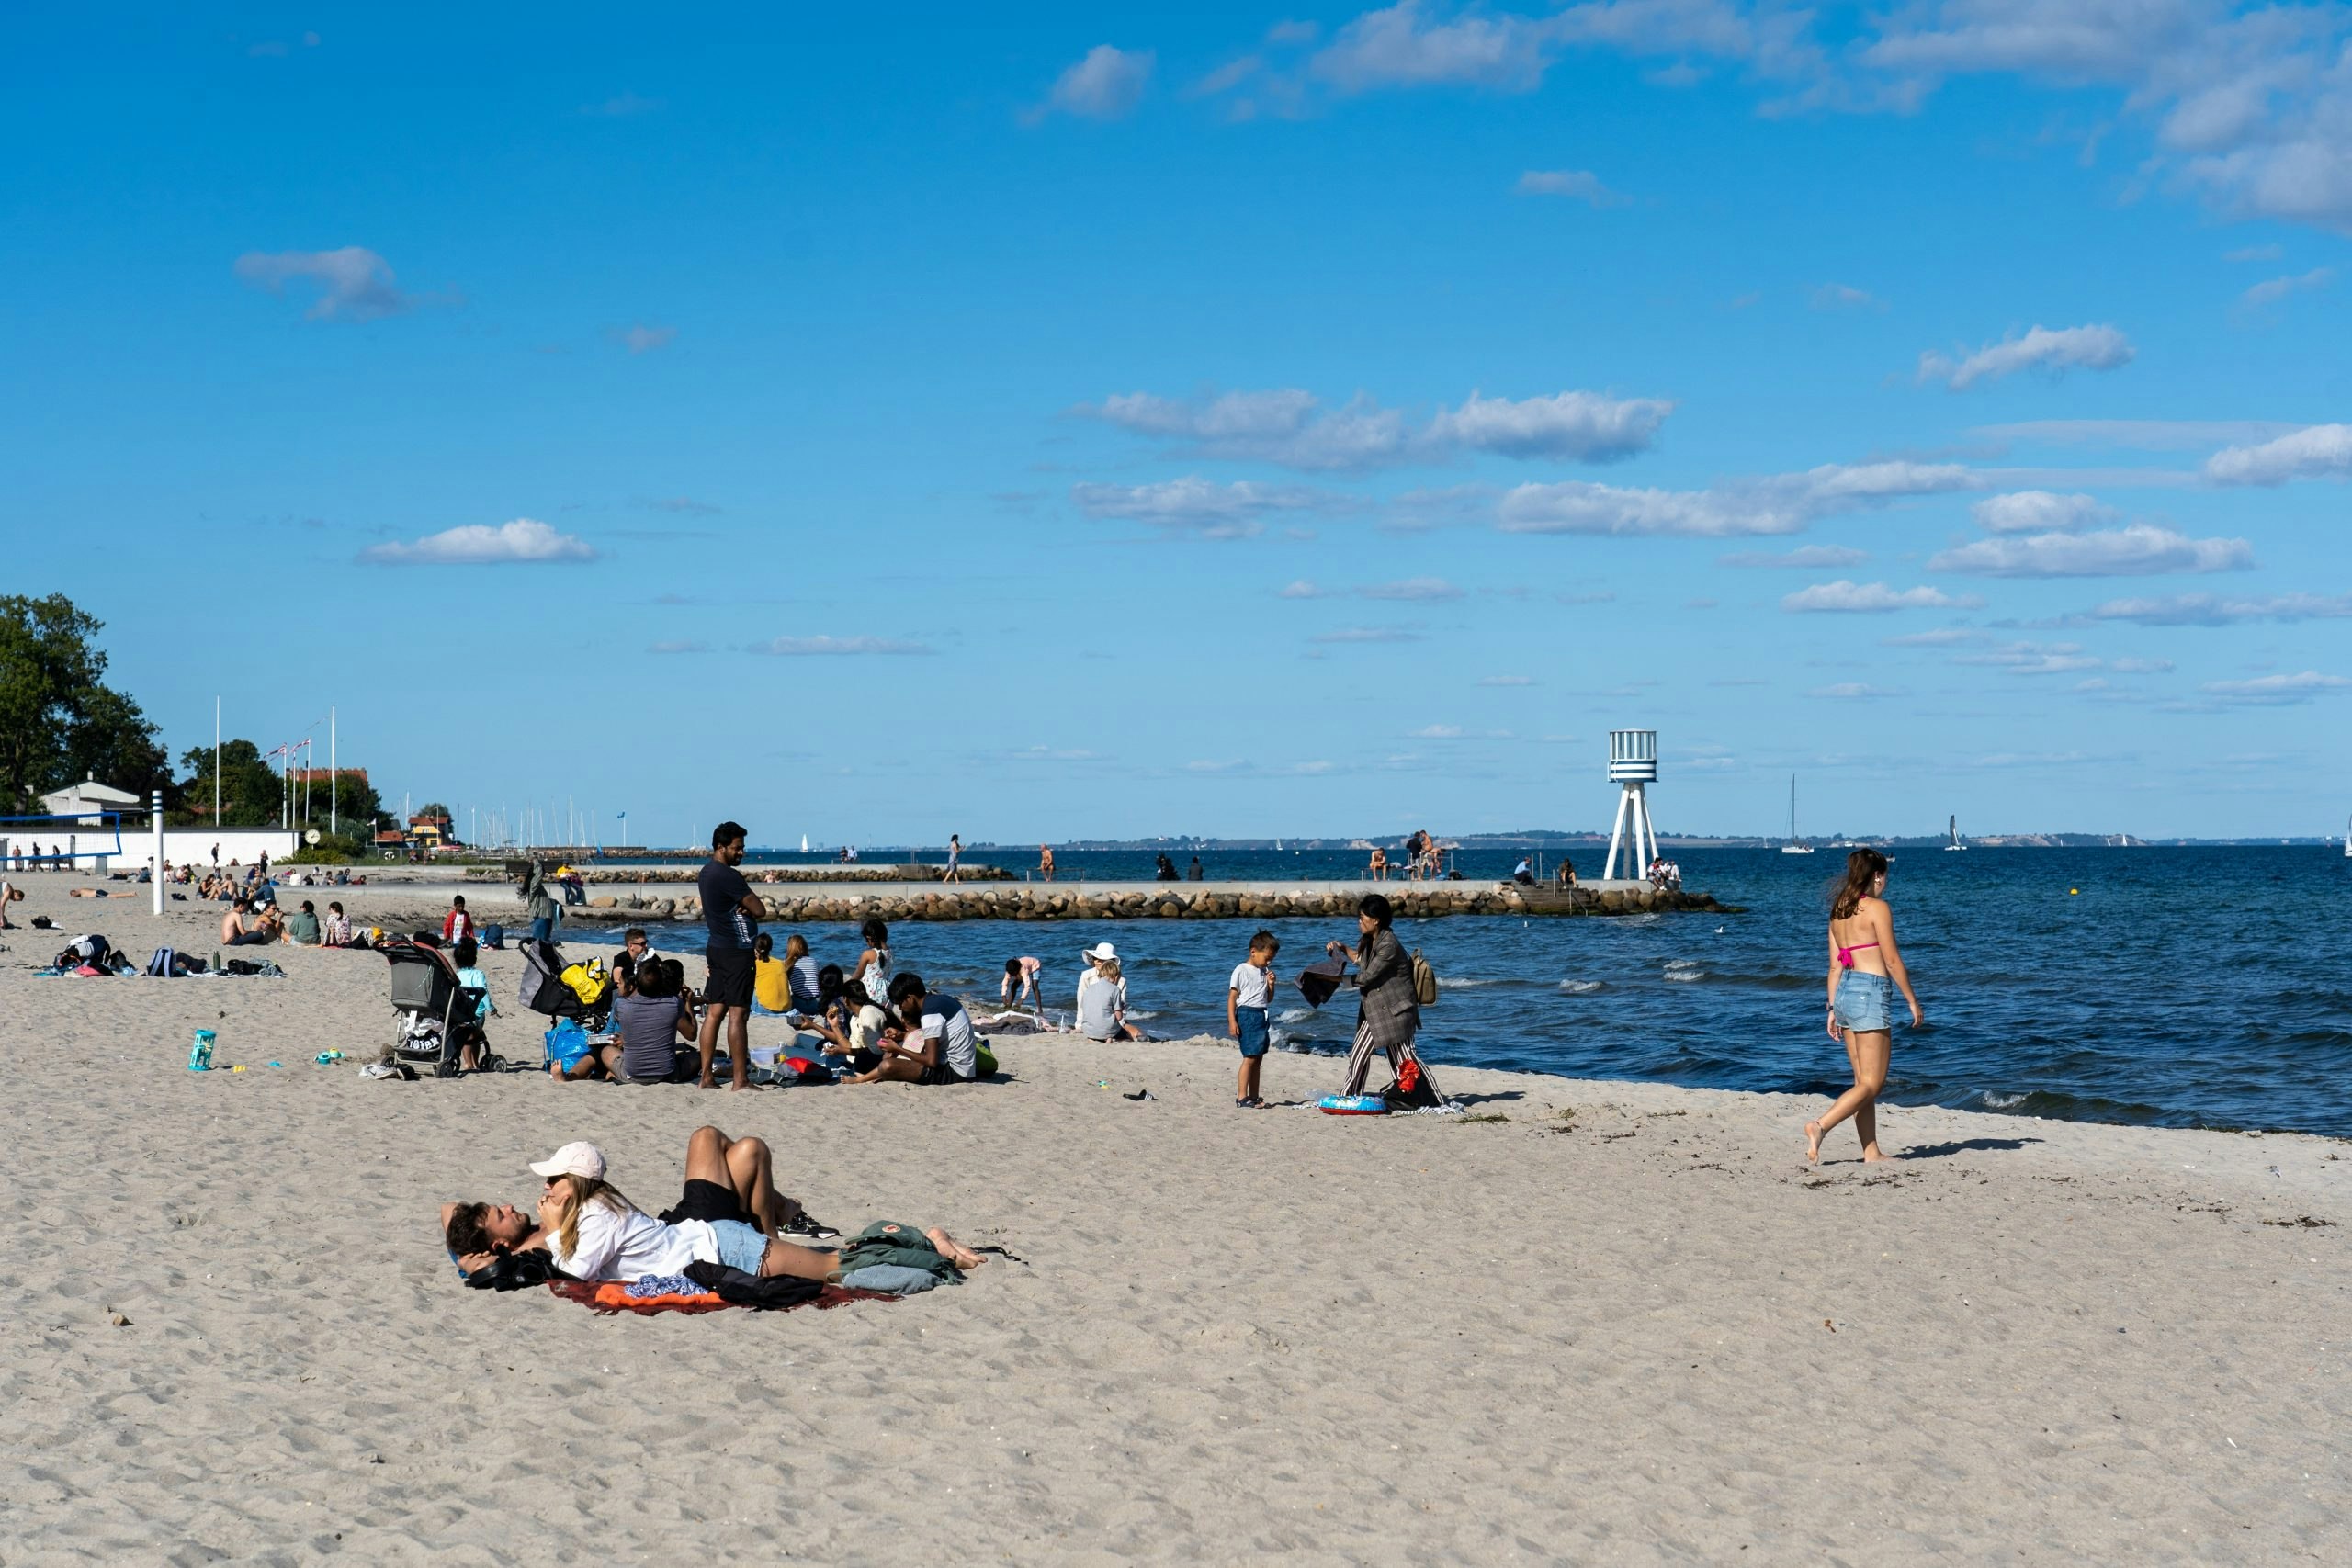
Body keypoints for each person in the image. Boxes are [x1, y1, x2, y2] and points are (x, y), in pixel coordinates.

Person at [440, 1129, 860, 1283]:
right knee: (737, 1147)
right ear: (497, 1245)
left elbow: (450, 1210)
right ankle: (772, 1224)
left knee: (732, 1145)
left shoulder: (569, 1213)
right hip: (696, 1235)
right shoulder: (533, 1248)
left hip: (669, 1230)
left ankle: (774, 1219)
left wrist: (464, 1248)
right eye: (500, 1214)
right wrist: (474, 1259)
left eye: (554, 1179)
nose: (514, 1204)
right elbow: (572, 1268)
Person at [1807, 849, 1925, 1164]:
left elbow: (1834, 968)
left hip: (1845, 993)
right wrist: (1912, 1000)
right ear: (1876, 875)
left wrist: (1831, 1008)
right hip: (1870, 993)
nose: (1885, 883)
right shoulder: (1877, 909)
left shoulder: (1838, 911)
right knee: (1873, 1083)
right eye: (1884, 877)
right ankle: (1820, 1126)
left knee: (1863, 1083)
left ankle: (1870, 1151)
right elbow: (1891, 960)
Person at [1326, 892, 1426, 1098]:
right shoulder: (1373, 940)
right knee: (1383, 1057)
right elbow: (1362, 961)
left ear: (1376, 920)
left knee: (1404, 1059)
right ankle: (1351, 1095)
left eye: (1362, 918)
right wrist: (1342, 948)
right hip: (1381, 1011)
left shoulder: (1388, 944)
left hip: (1393, 1012)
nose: (1359, 923)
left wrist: (1334, 980)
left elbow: (1366, 976)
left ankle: (1426, 1096)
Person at [695, 822, 763, 1091]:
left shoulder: (706, 873)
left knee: (715, 1011)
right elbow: (759, 909)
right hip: (736, 951)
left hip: (716, 947)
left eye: (742, 847)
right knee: (738, 1014)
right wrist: (746, 906)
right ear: (721, 848)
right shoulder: (727, 876)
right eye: (737, 848)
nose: (741, 852)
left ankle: (706, 1076)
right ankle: (740, 1080)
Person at [560, 955, 700, 1083]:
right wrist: (687, 1001)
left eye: (620, 983)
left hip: (633, 1073)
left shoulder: (622, 1005)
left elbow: (640, 1026)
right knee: (698, 1056)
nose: (618, 985)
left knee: (605, 1052)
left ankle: (572, 1076)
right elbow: (690, 1034)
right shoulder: (674, 1003)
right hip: (667, 1074)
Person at [850, 974, 979, 1085]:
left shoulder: (930, 1013)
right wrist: (903, 1035)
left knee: (887, 1065)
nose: (900, 1009)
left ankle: (863, 1078)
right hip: (965, 1067)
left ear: (910, 998)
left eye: (901, 1003)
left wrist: (897, 1049)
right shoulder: (940, 1000)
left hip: (956, 1073)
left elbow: (931, 1061)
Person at [1227, 929, 1279, 1108]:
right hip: (1247, 1014)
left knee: (1258, 1058)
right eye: (1267, 957)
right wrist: (1232, 1021)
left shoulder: (1263, 971)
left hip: (1261, 1014)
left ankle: (1254, 1096)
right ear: (1253, 952)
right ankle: (1242, 1097)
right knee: (1249, 1057)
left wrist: (1271, 985)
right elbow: (1232, 997)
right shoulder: (1241, 970)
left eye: (1272, 958)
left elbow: (1268, 999)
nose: (1269, 962)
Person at [808, 976, 888, 1075]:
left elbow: (876, 1051)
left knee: (830, 1060)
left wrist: (841, 1050)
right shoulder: (855, 1017)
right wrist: (835, 1026)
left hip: (874, 1061)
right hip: (861, 1059)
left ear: (845, 999)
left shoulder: (868, 1013)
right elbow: (851, 1047)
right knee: (831, 1059)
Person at [1076, 942, 1142, 1042]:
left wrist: (1120, 1026)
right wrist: (1079, 1025)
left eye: (1102, 959)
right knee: (1132, 1035)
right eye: (1095, 958)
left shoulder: (1121, 980)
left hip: (1112, 1020)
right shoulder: (1086, 976)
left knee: (1137, 1034)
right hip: (1094, 1021)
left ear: (1110, 962)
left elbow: (1121, 1008)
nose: (1097, 961)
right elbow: (1081, 1003)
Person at [849, 917, 890, 1006]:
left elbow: (858, 974)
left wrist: (847, 985)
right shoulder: (890, 952)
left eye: (866, 940)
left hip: (870, 992)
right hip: (886, 992)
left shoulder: (867, 954)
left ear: (869, 938)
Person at [752, 932, 792, 1016]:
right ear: (771, 948)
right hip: (786, 1008)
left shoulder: (754, 965)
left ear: (755, 949)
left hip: (763, 1009)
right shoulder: (781, 963)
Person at [611, 927, 656, 996]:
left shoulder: (649, 955)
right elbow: (618, 981)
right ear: (631, 946)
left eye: (646, 942)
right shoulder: (621, 959)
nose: (646, 946)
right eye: (642, 944)